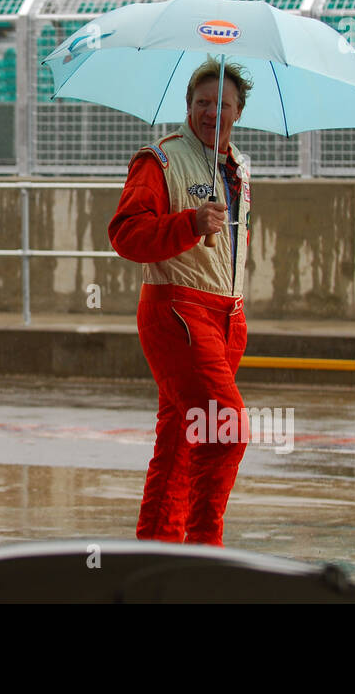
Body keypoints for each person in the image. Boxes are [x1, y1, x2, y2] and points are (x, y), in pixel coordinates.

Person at [108, 56, 253, 547]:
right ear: (188, 106)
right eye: (203, 103)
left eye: (223, 105)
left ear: (239, 111)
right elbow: (126, 236)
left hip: (227, 318)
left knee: (180, 444)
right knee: (226, 428)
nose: (213, 113)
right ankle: (205, 553)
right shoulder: (160, 159)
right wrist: (188, 223)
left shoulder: (239, 167)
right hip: (177, 313)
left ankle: (155, 557)